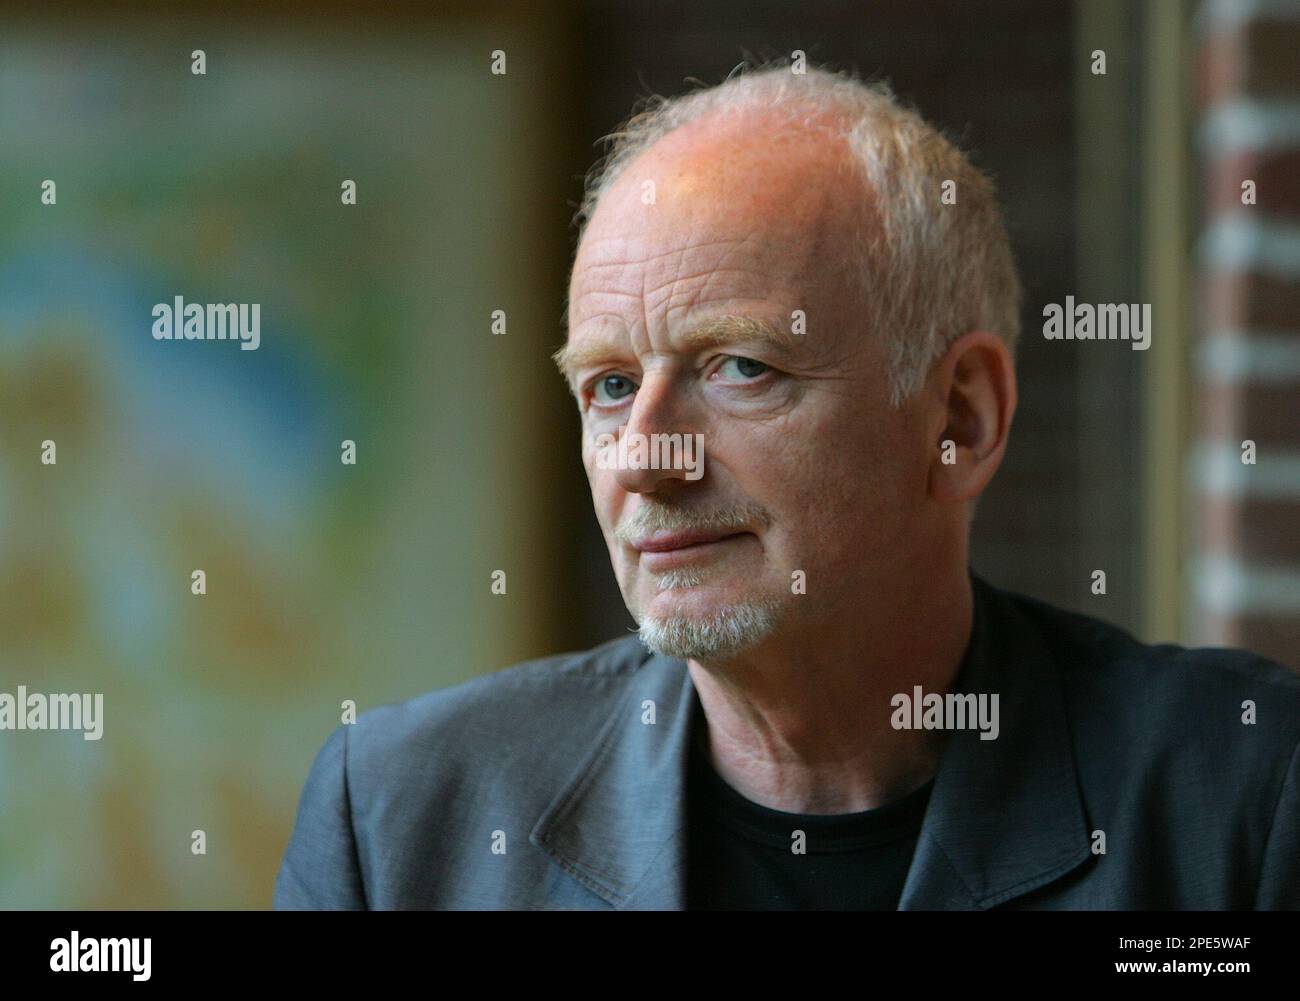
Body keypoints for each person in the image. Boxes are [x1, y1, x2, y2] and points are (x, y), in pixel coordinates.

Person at [274, 65, 1299, 910]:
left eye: (740, 368)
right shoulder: (403, 817)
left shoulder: (1241, 797)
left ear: (959, 421)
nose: (643, 457)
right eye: (611, 385)